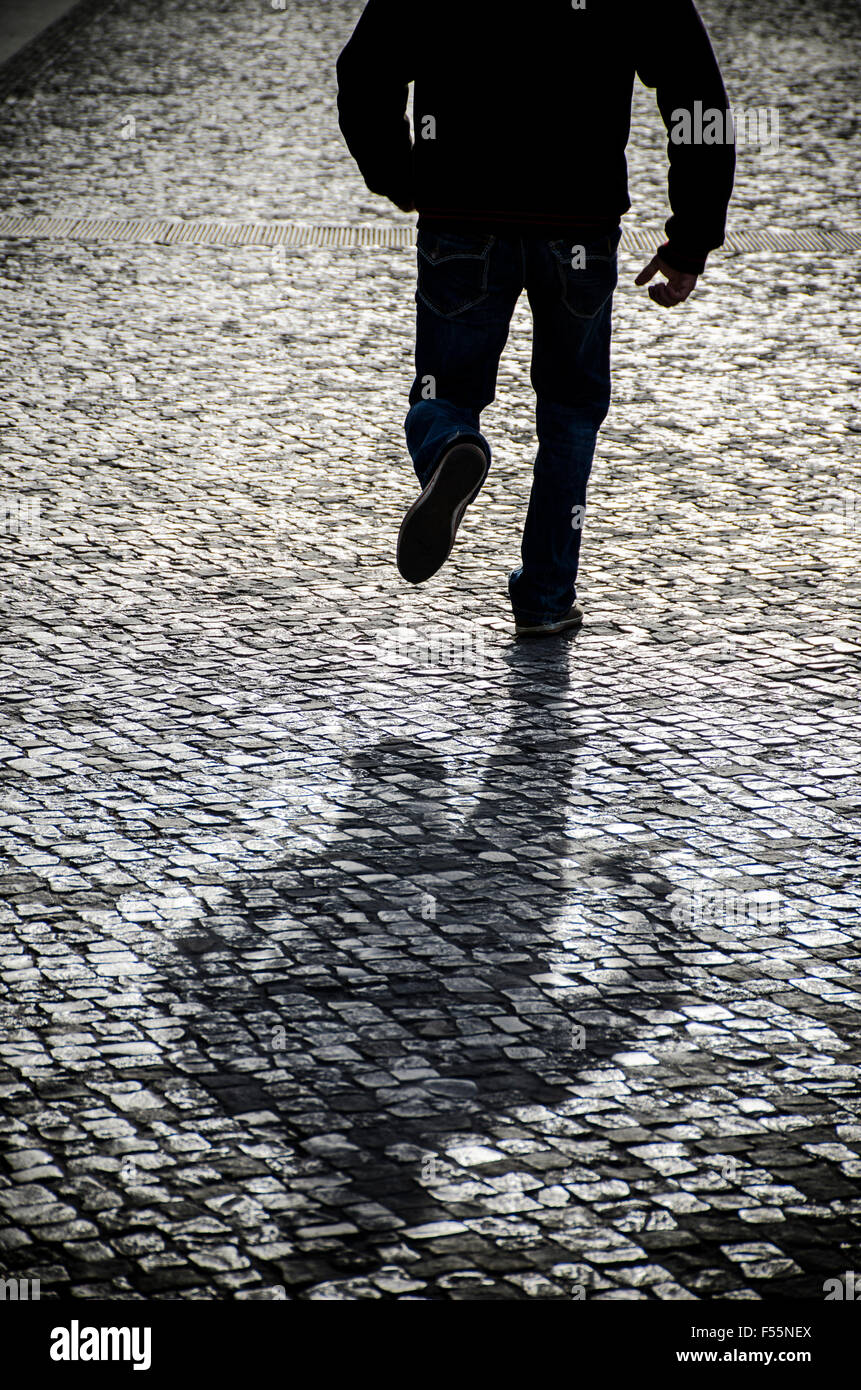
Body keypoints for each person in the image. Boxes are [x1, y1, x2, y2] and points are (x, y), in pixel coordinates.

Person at [337, 0, 734, 635]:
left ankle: (450, 446)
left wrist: (401, 175)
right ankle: (547, 597)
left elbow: (365, 71)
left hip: (462, 217)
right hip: (579, 224)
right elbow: (696, 97)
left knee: (445, 391)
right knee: (571, 412)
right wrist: (692, 235)